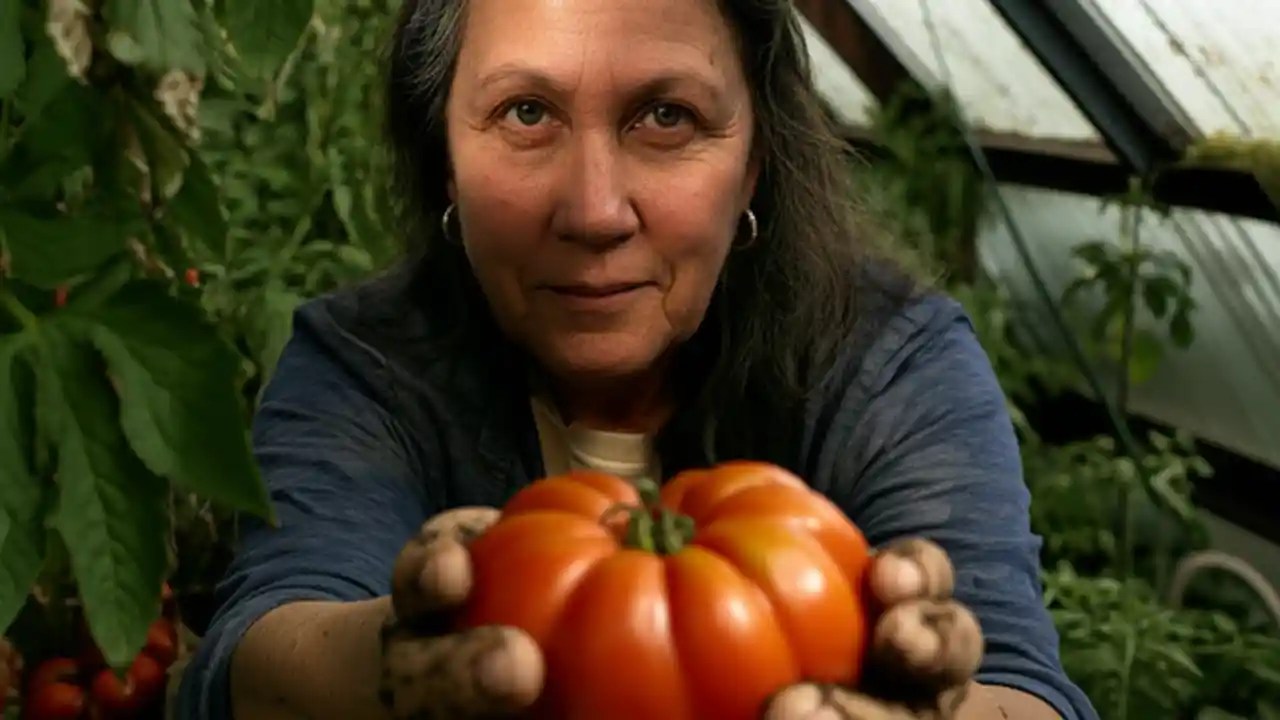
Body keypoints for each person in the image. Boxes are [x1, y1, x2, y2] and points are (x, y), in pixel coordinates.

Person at [176, 0, 1100, 717]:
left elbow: (1021, 683)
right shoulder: (365, 363)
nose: (593, 211)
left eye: (666, 116)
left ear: (754, 164)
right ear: (444, 158)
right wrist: (395, 658)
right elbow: (254, 656)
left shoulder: (887, 360)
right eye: (526, 112)